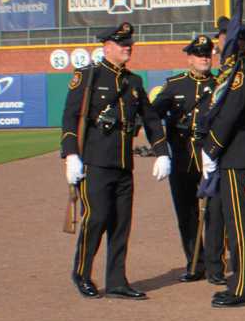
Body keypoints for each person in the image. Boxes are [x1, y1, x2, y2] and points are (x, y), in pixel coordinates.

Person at [61, 22, 171, 299]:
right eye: (122, 44)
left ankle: (117, 280)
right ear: (106, 47)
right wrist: (71, 154)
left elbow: (151, 119)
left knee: (122, 223)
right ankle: (82, 273)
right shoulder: (89, 76)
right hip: (95, 162)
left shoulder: (133, 82)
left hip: (123, 163)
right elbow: (70, 116)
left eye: (129, 44)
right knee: (96, 219)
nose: (127, 48)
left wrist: (162, 152)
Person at [150, 34, 226, 284]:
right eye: (199, 55)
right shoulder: (175, 85)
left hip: (211, 158)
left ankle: (216, 267)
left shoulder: (219, 84)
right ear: (190, 58)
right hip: (183, 157)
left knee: (215, 214)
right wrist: (161, 149)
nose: (204, 58)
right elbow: (152, 118)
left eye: (207, 54)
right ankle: (195, 263)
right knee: (187, 214)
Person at [201, 24, 245, 308]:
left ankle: (243, 289)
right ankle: (244, 284)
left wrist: (211, 148)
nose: (219, 42)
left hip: (238, 155)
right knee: (239, 223)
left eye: (224, 37)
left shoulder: (242, 71)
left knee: (240, 225)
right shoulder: (238, 69)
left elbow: (230, 113)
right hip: (238, 155)